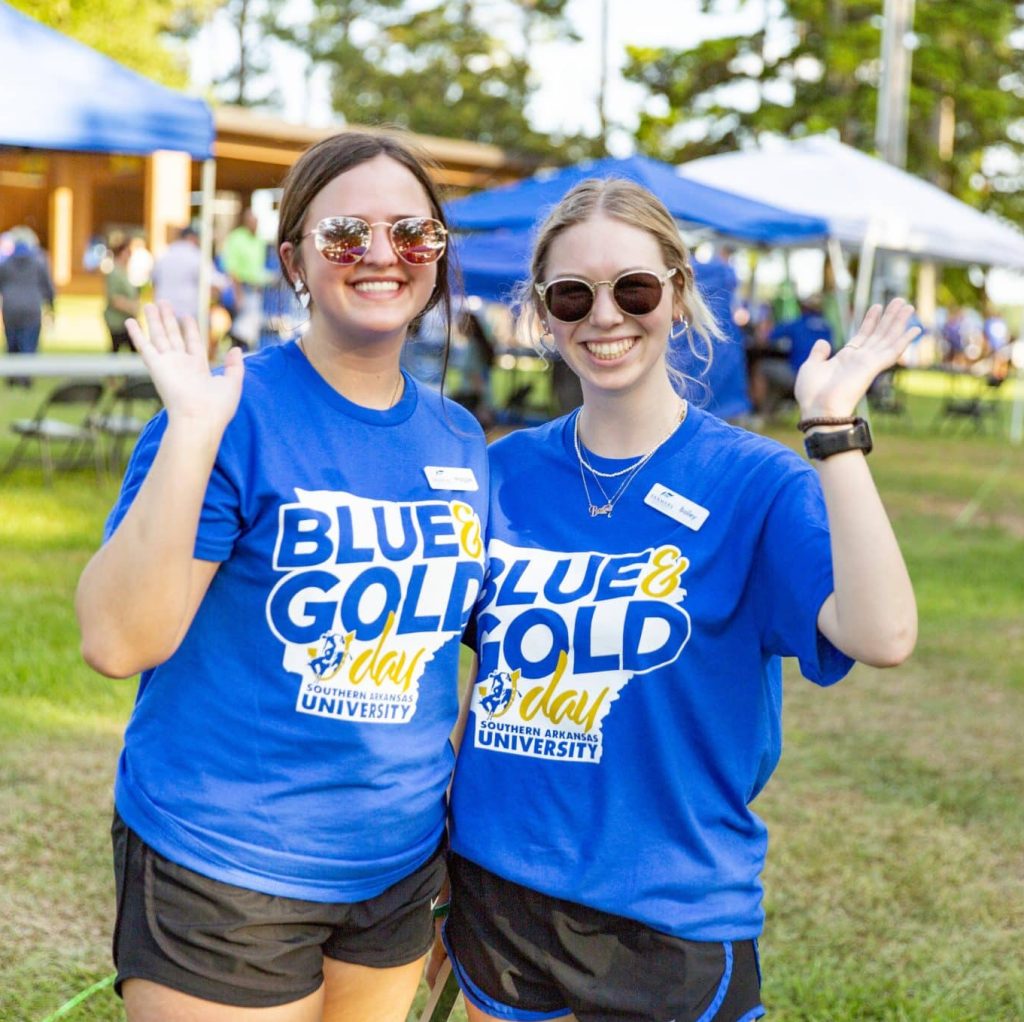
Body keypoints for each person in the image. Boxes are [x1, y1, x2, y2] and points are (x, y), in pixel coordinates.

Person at [437, 178, 918, 1022]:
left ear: (679, 292)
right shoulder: (500, 471)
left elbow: (882, 634)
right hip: (498, 889)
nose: (605, 316)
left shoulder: (755, 481)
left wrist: (834, 434)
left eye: (634, 288)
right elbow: (484, 677)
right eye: (573, 295)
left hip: (669, 911)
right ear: (544, 313)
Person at [75, 130, 489, 1022]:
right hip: (226, 866)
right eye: (346, 234)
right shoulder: (230, 410)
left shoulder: (459, 438)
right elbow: (116, 640)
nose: (382, 256)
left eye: (413, 235)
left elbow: (452, 660)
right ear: (293, 257)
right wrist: (191, 431)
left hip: (396, 870)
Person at [749, 296, 833, 417]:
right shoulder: (828, 327)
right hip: (821, 378)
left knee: (762, 368)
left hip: (798, 375)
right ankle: (770, 413)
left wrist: (764, 325)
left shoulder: (797, 324)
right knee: (776, 376)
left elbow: (766, 337)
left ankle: (756, 411)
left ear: (802, 308)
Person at [0, 235, 55, 386]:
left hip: (10, 308)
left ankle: (11, 375)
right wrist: (51, 305)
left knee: (12, 341)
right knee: (29, 342)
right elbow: (48, 287)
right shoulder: (38, 263)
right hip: (31, 308)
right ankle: (25, 377)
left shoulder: (5, 265)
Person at [222, 206, 269, 350]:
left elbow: (258, 268)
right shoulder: (236, 238)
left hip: (256, 288)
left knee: (250, 327)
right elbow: (231, 267)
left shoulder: (259, 240)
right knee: (242, 327)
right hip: (241, 287)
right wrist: (237, 293)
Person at [104, 239, 141, 353]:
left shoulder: (124, 272)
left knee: (128, 348)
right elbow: (114, 298)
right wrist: (131, 308)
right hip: (118, 321)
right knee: (121, 348)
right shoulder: (115, 273)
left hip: (127, 319)